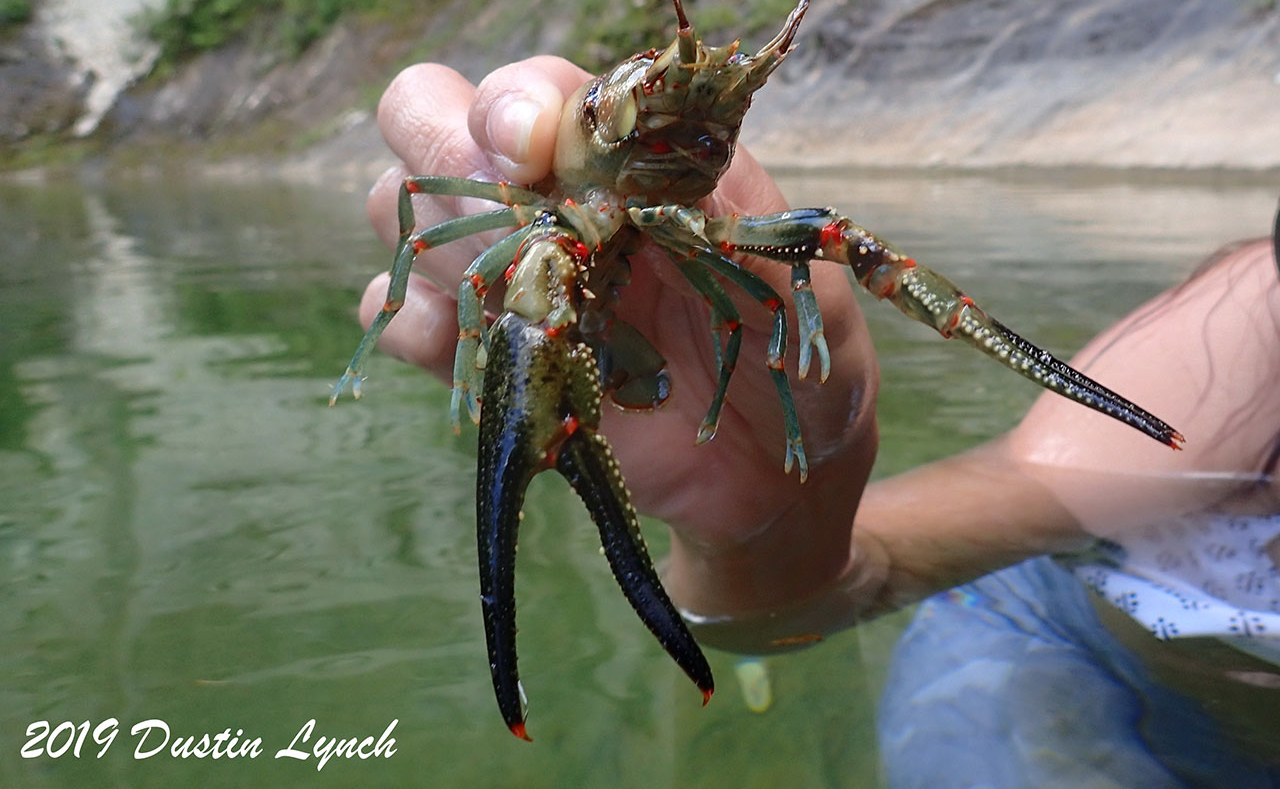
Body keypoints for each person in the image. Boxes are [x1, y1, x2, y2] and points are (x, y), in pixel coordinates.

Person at [354, 56, 1280, 784]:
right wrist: (772, 520)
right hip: (1060, 666)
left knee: (822, 249)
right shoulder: (1246, 347)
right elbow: (840, 584)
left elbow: (802, 260)